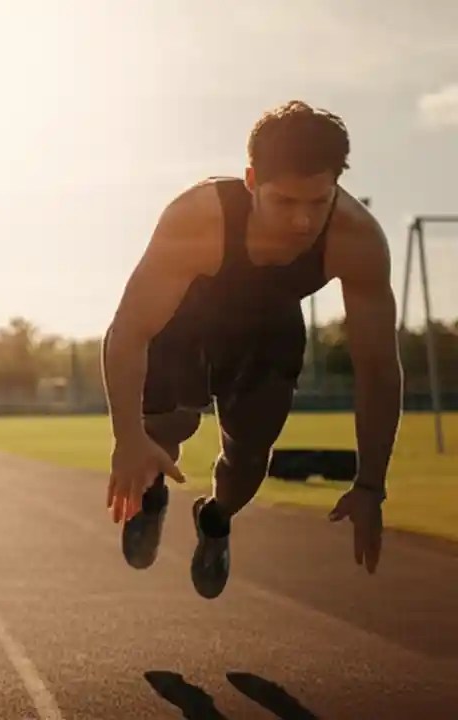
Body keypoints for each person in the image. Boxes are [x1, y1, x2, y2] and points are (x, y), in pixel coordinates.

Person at [102, 100, 402, 599]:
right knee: (167, 427)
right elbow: (128, 331)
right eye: (285, 202)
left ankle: (215, 522)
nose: (304, 223)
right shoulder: (198, 219)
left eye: (318, 203)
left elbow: (377, 369)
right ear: (250, 180)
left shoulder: (357, 238)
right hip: (185, 322)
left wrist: (371, 483)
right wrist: (127, 437)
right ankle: (152, 494)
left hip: (269, 330)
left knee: (247, 463)